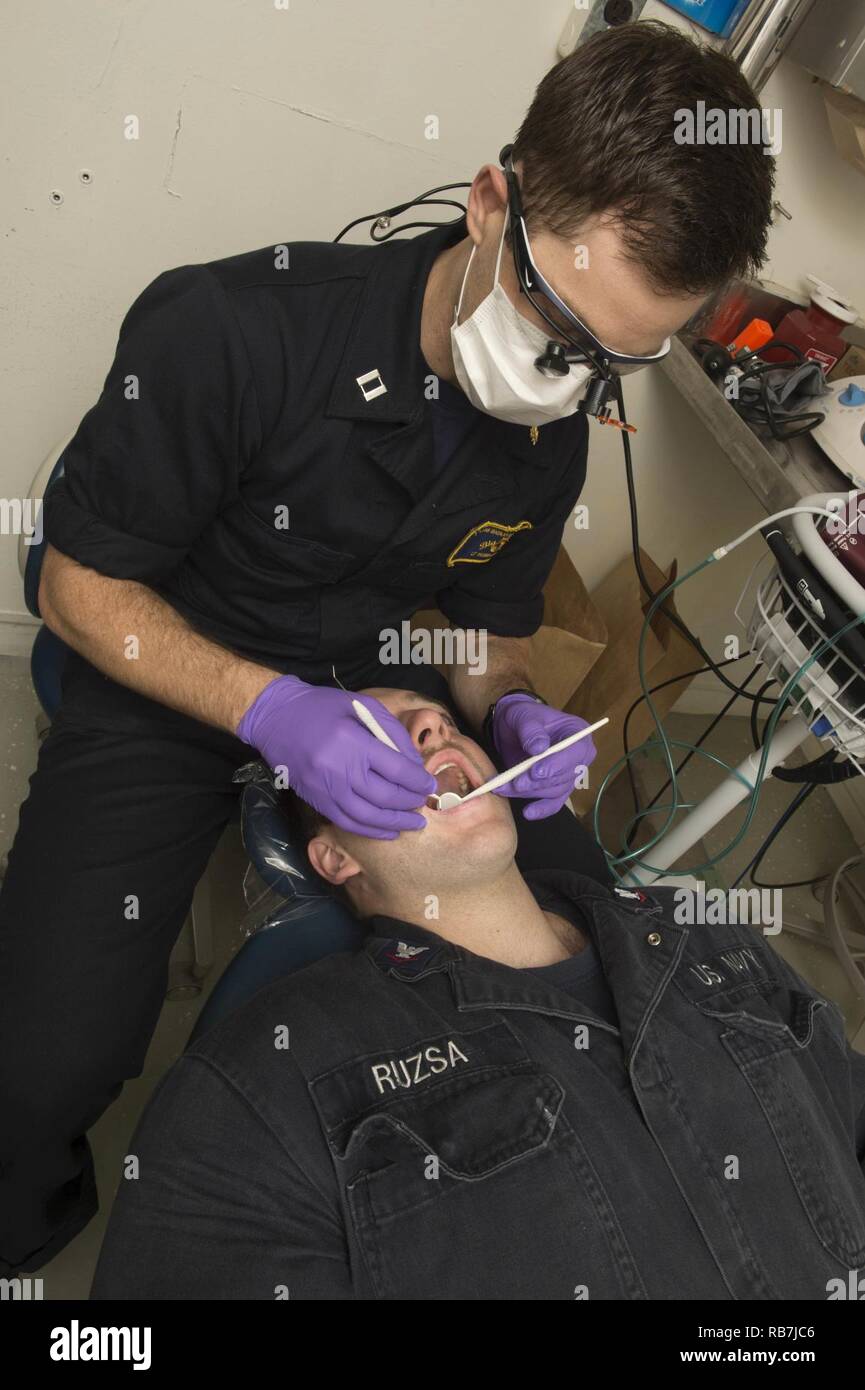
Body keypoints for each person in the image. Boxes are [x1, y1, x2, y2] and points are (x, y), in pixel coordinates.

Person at [0, 21, 776, 1274]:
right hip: (174, 668)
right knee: (42, 1056)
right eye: (556, 322)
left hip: (390, 688)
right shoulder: (231, 331)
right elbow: (79, 583)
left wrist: (510, 709)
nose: (562, 379)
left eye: (609, 361)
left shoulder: (551, 431)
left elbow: (489, 630)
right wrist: (265, 709)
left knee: (584, 929)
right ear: (490, 203)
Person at [90, 688, 865, 1301]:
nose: (431, 722)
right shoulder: (270, 1075)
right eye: (373, 732)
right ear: (331, 859)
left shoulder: (709, 935)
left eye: (433, 718)